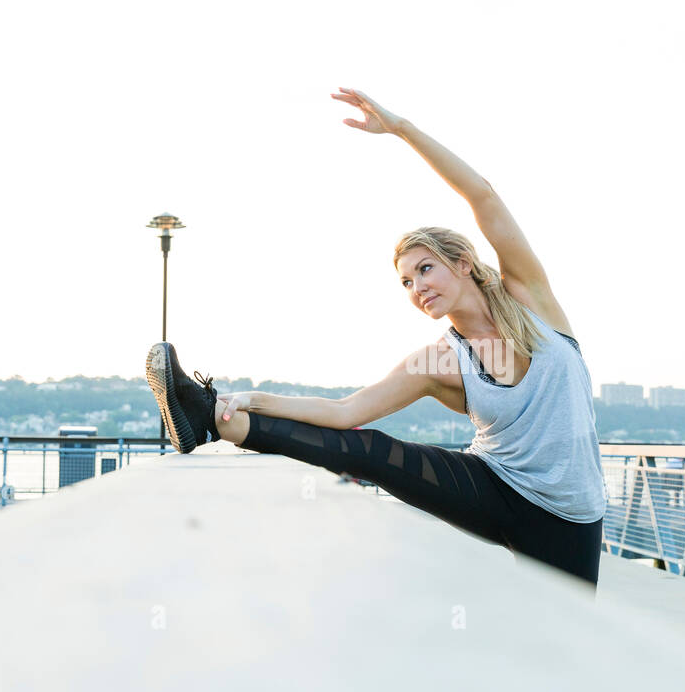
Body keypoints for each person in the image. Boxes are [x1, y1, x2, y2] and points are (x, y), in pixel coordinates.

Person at [145, 88, 608, 585]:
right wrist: (249, 399)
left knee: (566, 647)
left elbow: (483, 195)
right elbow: (345, 413)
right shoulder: (439, 361)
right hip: (493, 486)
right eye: (407, 282)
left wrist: (402, 129)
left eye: (425, 269)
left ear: (464, 264)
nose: (418, 288)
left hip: (572, 516)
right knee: (373, 451)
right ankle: (213, 419)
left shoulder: (532, 302)